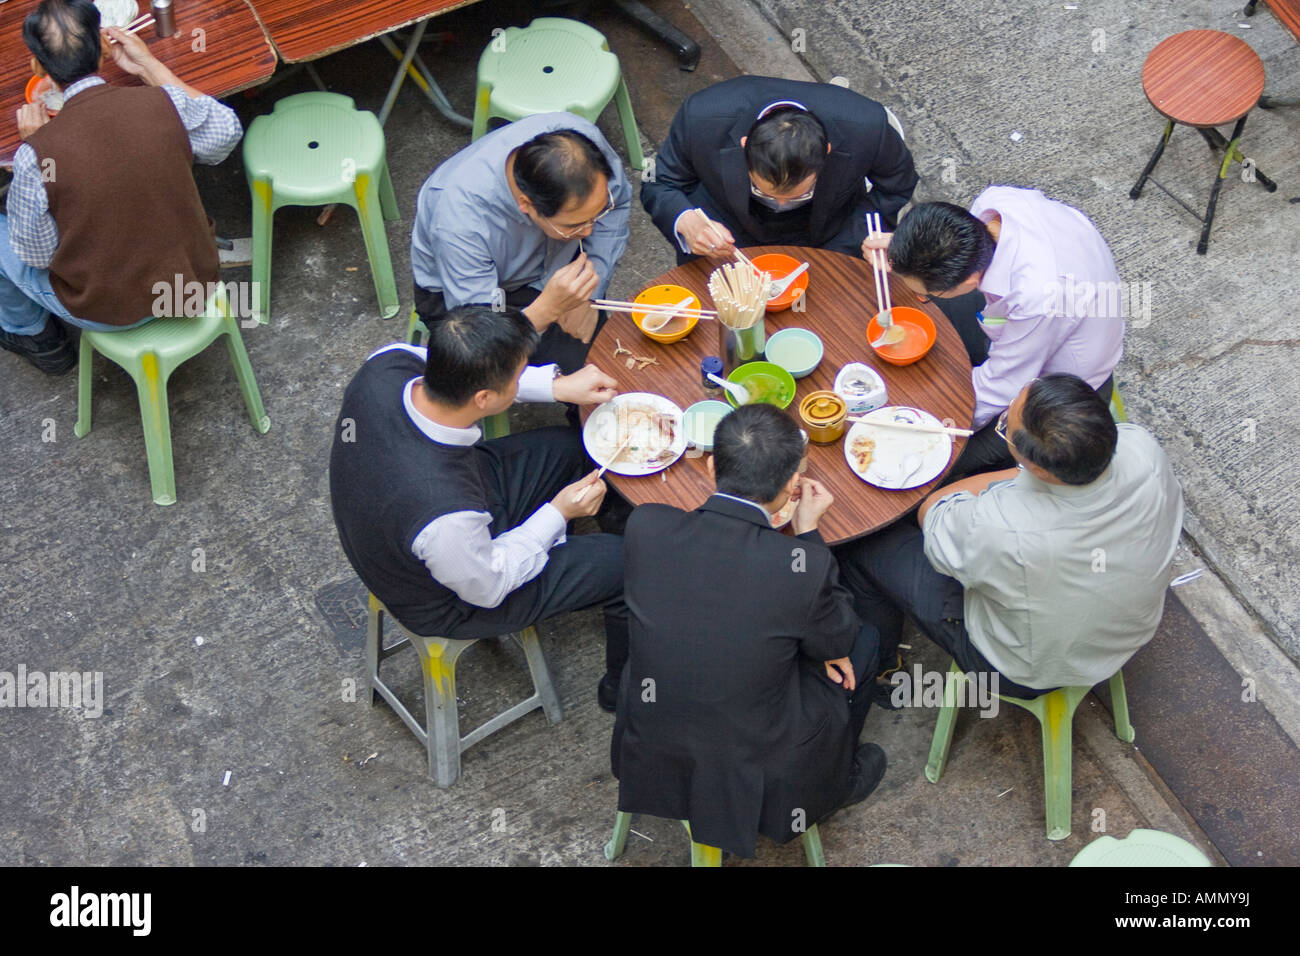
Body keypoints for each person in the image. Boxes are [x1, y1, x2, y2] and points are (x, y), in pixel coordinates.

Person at [611, 404, 887, 859]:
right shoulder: (801, 567)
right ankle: (836, 778)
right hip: (757, 759)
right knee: (866, 643)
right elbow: (836, 639)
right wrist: (808, 535)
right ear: (791, 488)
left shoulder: (646, 525)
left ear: (712, 465)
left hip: (650, 731)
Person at [329, 305, 630, 708]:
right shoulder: (443, 514)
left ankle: (576, 555)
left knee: (572, 447)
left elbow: (478, 374)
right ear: (485, 398)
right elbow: (489, 586)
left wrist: (558, 387)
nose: (522, 379)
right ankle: (621, 692)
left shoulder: (387, 363)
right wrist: (558, 514)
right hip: (453, 595)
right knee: (634, 562)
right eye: (517, 377)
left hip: (418, 507)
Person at [837, 374, 1184, 700]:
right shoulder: (1141, 445)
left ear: (1042, 469)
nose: (1002, 422)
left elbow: (933, 510)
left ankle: (881, 669)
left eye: (1004, 426)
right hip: (1129, 629)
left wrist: (1014, 474)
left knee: (864, 542)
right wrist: (1023, 470)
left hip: (1024, 669)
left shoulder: (1002, 528)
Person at [1, 0, 241, 374]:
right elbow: (225, 134)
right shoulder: (164, 103)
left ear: (40, 69)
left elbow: (38, 254)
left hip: (111, 310)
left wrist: (37, 148)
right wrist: (149, 66)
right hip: (192, 282)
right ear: (102, 53)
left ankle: (35, 337)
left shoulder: (36, 156)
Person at [865, 188, 1125, 477]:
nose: (929, 294)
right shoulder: (995, 203)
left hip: (1063, 384)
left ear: (970, 281)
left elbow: (1003, 383)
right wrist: (903, 249)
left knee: (939, 464)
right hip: (1034, 320)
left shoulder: (1036, 296)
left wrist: (935, 423)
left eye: (933, 291)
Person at [410, 112, 632, 375]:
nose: (590, 232)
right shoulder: (459, 222)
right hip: (476, 300)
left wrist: (590, 291)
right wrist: (550, 308)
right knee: (588, 372)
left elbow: (618, 204)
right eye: (574, 225)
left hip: (554, 262)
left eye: (598, 214)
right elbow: (478, 337)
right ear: (525, 204)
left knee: (608, 360)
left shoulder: (582, 143)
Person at [641, 76, 916, 264]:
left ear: (827, 152)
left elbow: (897, 185)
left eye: (796, 195)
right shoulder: (702, 116)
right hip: (728, 233)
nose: (780, 204)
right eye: (764, 190)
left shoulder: (866, 125)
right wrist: (687, 221)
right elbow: (659, 181)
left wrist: (847, 244)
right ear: (744, 145)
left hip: (830, 234)